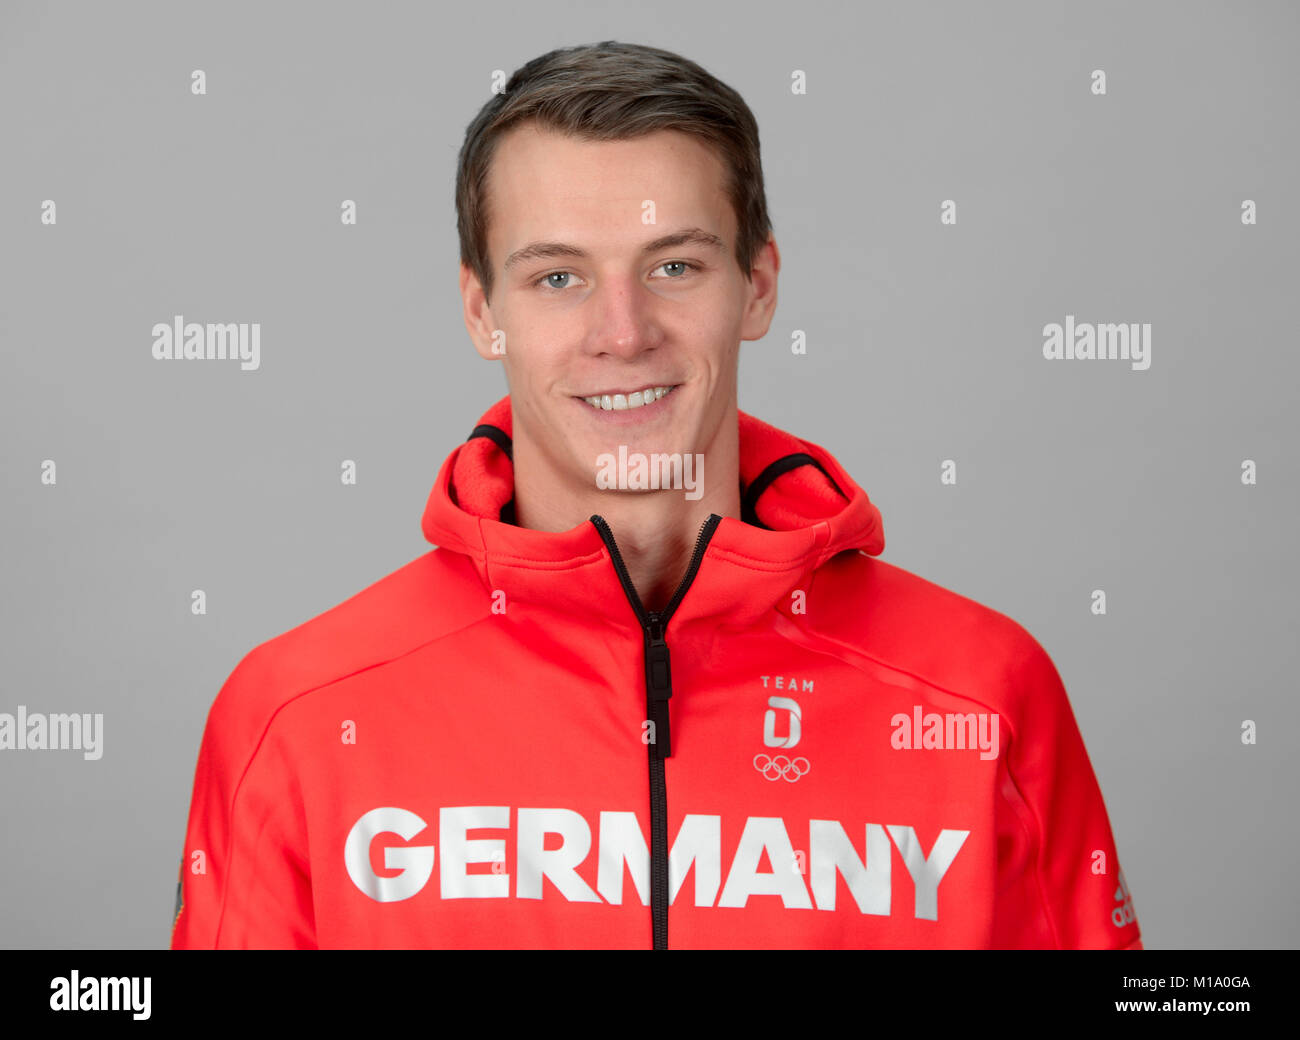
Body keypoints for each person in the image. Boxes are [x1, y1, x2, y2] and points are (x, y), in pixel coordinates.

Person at [170, 39, 1142, 950]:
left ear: (757, 284)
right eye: (558, 277)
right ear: (481, 310)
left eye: (674, 266)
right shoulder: (297, 716)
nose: (622, 332)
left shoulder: (982, 697)